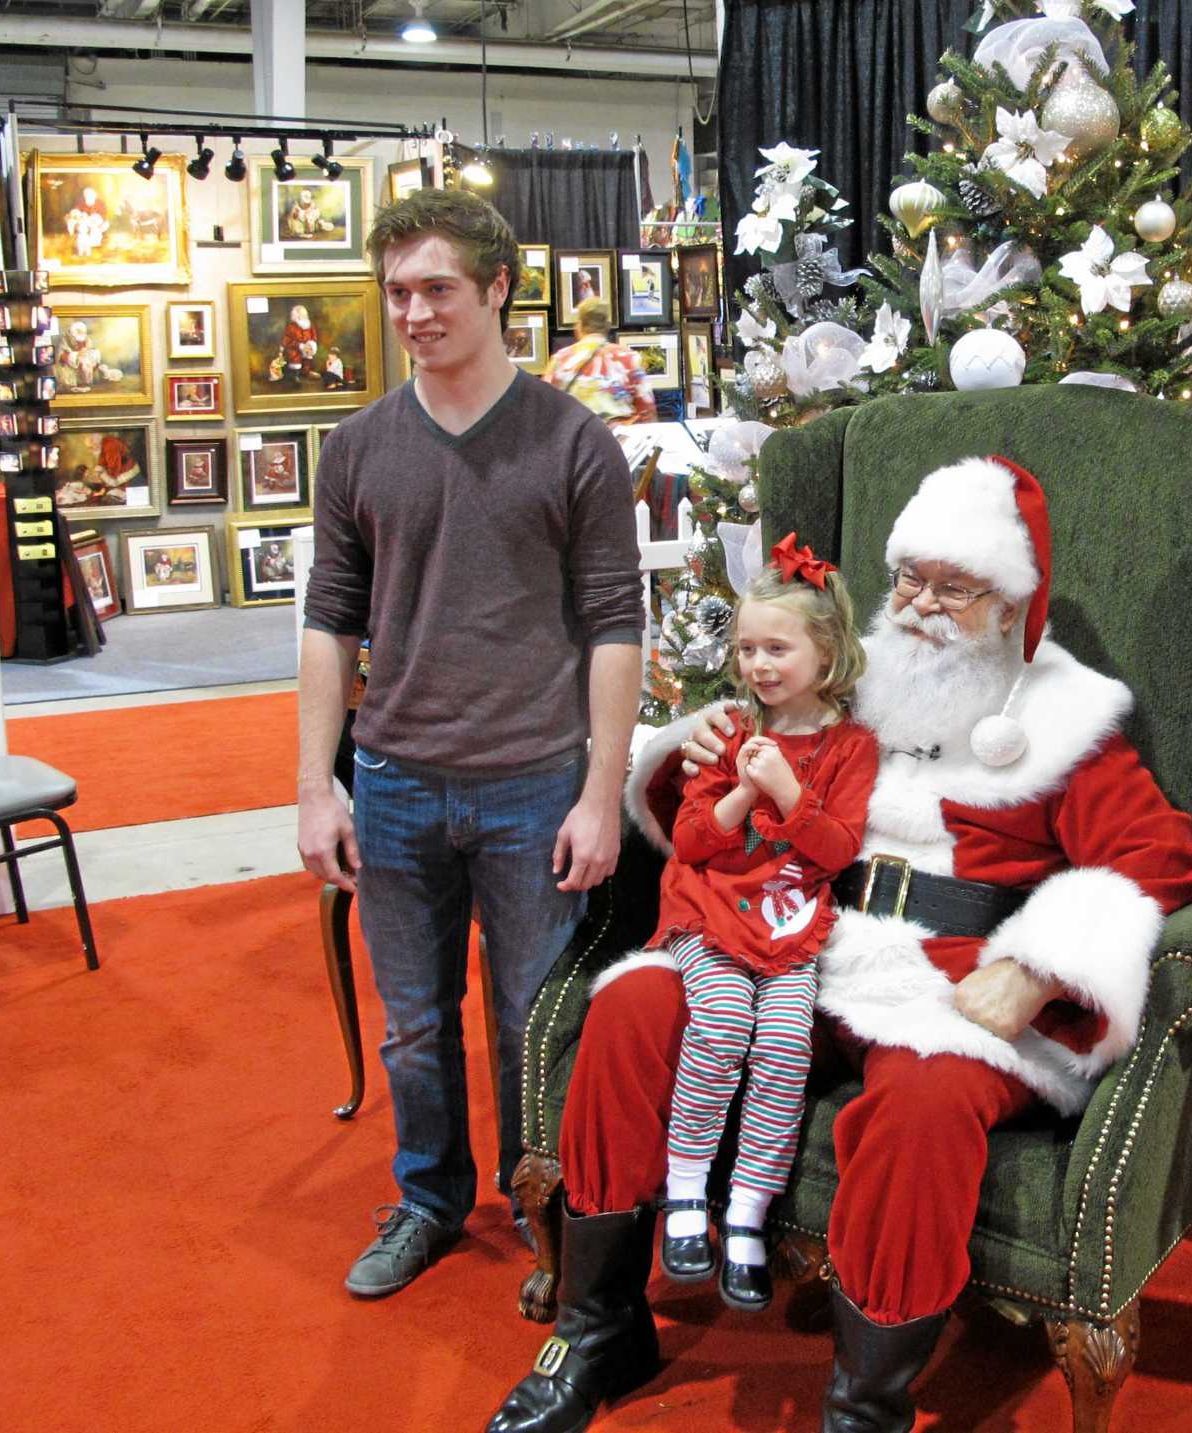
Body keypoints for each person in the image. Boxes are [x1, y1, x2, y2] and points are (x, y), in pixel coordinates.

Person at [485, 458, 1192, 1433]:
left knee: (920, 1099)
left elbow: (1161, 858)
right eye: (910, 577)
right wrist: (693, 754)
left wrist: (1041, 961)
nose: (920, 604)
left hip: (951, 978)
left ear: (1008, 604)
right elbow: (714, 801)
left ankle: (862, 1408)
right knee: (630, 1007)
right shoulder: (845, 679)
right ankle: (600, 1322)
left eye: (953, 587)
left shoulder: (1065, 717)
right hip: (793, 933)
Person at [298, 187, 644, 1303]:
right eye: (397, 291)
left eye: (438, 287)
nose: (414, 311)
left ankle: (539, 1207)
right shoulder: (356, 449)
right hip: (394, 775)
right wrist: (316, 782)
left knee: (530, 1021)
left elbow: (613, 623)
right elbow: (327, 623)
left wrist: (601, 787)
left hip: (535, 782)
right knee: (413, 1024)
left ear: (497, 288)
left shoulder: (573, 442)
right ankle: (427, 1199)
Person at [638, 535, 878, 1314]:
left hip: (788, 925)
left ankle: (746, 1210)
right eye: (747, 649)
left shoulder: (850, 746)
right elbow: (692, 840)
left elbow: (838, 847)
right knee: (719, 1021)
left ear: (828, 651)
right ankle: (684, 1195)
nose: (759, 665)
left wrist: (790, 793)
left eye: (778, 647)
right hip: (709, 913)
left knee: (781, 1046)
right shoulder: (731, 730)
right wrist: (744, 793)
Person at [542, 297, 656, 437]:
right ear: (607, 326)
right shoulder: (629, 358)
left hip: (575, 446)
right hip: (617, 446)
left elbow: (545, 412)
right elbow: (647, 412)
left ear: (579, 326)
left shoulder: (560, 360)